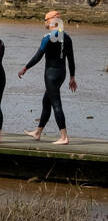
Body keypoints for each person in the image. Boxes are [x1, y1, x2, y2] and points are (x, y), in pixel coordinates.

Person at [20, 10, 77, 145]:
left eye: (46, 20)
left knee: (56, 104)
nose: (45, 23)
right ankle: (38, 132)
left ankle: (64, 137)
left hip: (51, 74)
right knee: (47, 101)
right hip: (61, 74)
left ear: (52, 21)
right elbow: (71, 60)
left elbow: (38, 56)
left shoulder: (48, 37)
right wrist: (72, 77)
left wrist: (25, 68)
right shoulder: (67, 37)